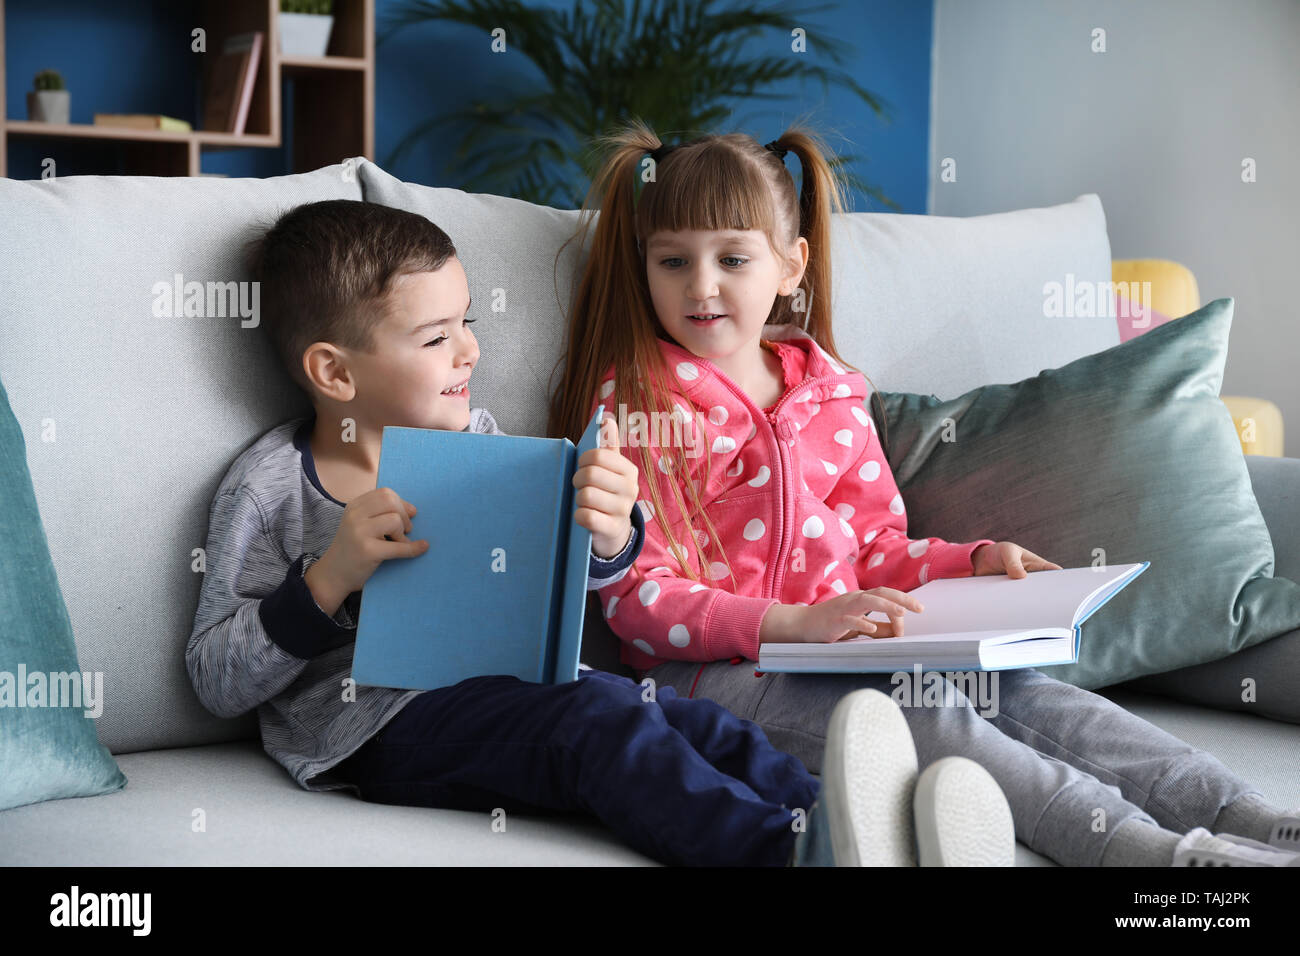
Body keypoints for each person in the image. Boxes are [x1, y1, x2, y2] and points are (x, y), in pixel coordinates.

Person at [547, 121, 1300, 867]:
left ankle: (1254, 818)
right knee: (932, 714)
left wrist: (968, 562)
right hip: (718, 677)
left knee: (1032, 695)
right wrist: (794, 622)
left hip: (848, 649)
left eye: (732, 258)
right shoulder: (641, 406)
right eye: (673, 260)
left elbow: (876, 549)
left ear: (791, 266)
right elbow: (639, 601)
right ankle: (1158, 855)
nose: (701, 285)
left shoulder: (832, 396)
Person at [184, 197, 987, 867]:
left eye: (465, 322)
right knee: (594, 730)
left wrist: (610, 534)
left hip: (519, 680)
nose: (470, 349)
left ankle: (855, 825)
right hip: (374, 726)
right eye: (436, 338)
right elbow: (217, 679)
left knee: (689, 719)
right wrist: (329, 578)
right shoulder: (270, 486)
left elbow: (579, 583)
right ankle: (791, 854)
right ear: (335, 372)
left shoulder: (482, 446)